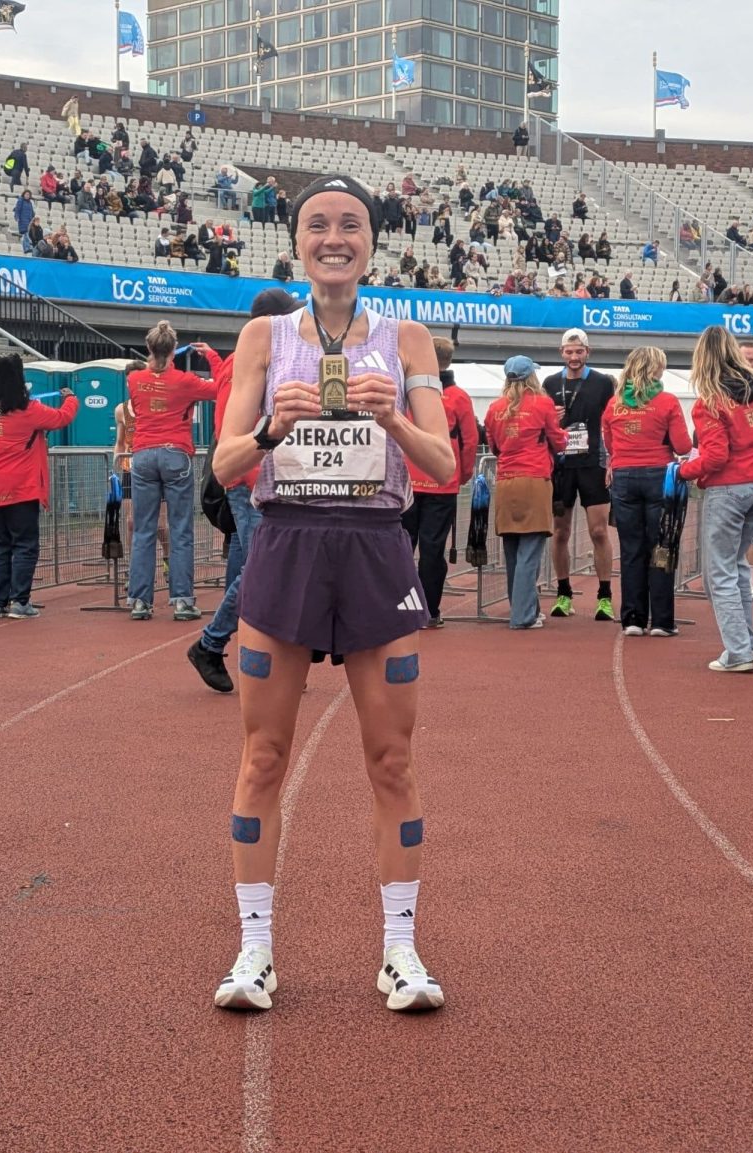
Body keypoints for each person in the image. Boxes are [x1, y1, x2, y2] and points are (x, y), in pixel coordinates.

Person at [209, 175, 456, 1013]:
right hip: (285, 546)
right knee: (263, 758)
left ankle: (400, 951)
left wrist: (393, 421)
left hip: (375, 549)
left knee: (391, 758)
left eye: (350, 223)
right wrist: (274, 427)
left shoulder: (410, 337)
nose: (334, 237)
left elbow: (446, 465)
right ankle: (254, 952)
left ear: (373, 241)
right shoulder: (263, 337)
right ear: (296, 241)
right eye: (318, 224)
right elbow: (225, 465)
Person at [188, 289, 304, 693]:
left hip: (248, 479)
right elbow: (230, 428)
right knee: (263, 570)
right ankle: (211, 643)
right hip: (249, 481)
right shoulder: (251, 363)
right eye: (287, 318)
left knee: (248, 570)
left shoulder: (242, 361)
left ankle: (260, 650)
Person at [677, 326, 753, 673]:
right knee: (735, 565)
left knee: (718, 571)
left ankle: (738, 652)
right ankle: (745, 644)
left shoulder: (710, 401)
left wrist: (684, 471)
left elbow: (716, 456)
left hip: (730, 487)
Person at [0, 354, 79, 618]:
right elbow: (63, 417)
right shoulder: (30, 410)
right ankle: (20, 601)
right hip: (20, 487)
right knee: (24, 544)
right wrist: (71, 397)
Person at [124, 321, 218, 621]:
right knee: (180, 530)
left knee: (143, 530)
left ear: (149, 348)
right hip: (175, 453)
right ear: (174, 349)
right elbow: (220, 387)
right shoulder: (186, 381)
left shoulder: (135, 380)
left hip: (142, 455)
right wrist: (213, 358)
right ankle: (182, 600)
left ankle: (140, 600)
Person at [602, 346, 692, 638]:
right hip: (658, 476)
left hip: (624, 477)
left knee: (631, 550)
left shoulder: (614, 403)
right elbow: (682, 446)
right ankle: (663, 621)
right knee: (661, 546)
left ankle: (632, 618)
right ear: (657, 369)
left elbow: (610, 443)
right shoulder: (666, 401)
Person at [401, 335, 479, 628]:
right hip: (443, 482)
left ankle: (399, 605)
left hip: (408, 481)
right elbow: (470, 441)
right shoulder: (459, 397)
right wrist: (464, 474)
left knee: (401, 546)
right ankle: (429, 610)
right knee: (433, 549)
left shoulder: (409, 393)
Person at [485, 356, 567, 630]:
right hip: (534, 479)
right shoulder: (543, 404)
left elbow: (494, 446)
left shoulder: (494, 408)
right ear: (532, 376)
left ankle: (523, 608)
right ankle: (523, 615)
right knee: (530, 551)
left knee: (512, 550)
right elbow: (559, 440)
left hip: (506, 481)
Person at [541, 328, 616, 621]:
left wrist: (612, 461)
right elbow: (542, 425)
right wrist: (552, 420)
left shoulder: (601, 383)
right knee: (560, 532)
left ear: (588, 352)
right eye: (569, 352)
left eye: (579, 351)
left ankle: (605, 597)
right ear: (561, 353)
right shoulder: (549, 383)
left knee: (599, 531)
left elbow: (610, 423)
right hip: (560, 466)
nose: (574, 357)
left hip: (592, 464)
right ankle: (563, 593)